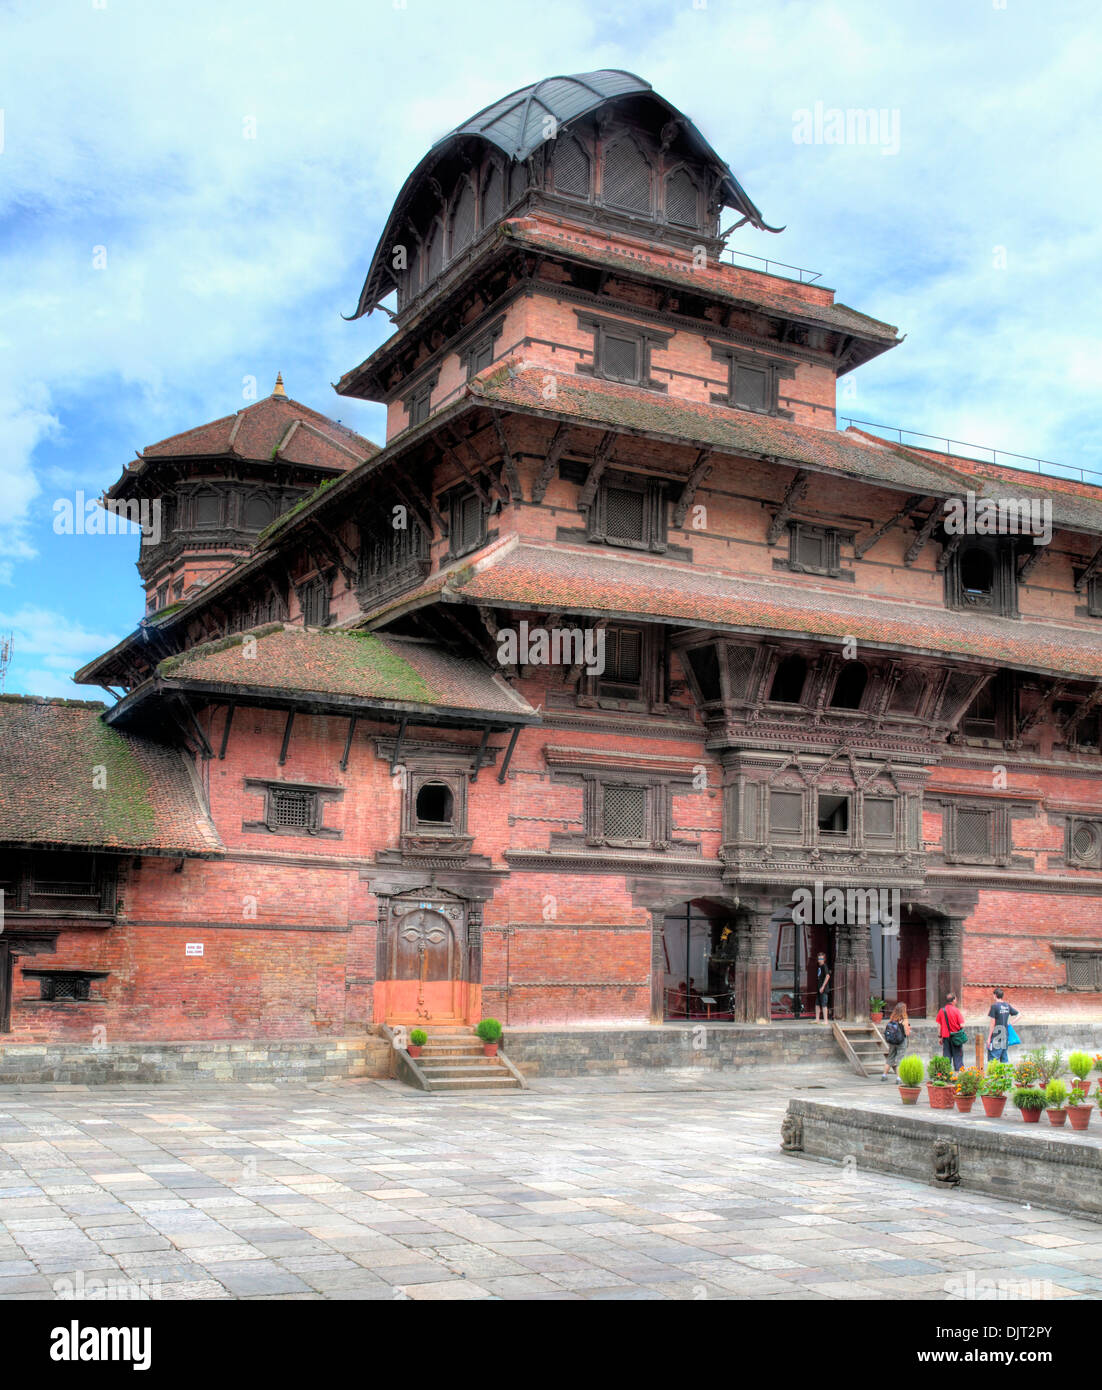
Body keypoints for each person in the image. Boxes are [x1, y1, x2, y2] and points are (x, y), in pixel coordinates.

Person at [986, 987, 1019, 1063]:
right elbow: (1020, 1015)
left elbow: (992, 1023)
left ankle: (994, 1074)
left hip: (997, 1036)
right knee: (1004, 1058)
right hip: (1005, 1035)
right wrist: (1011, 1023)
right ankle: (1004, 1075)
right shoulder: (1007, 1005)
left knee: (992, 1059)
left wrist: (989, 1038)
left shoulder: (994, 1006)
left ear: (995, 995)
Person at [937, 992, 966, 1070]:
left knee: (946, 1057)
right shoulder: (956, 1010)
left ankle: (946, 1076)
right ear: (953, 1000)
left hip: (946, 1037)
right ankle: (958, 1076)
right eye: (955, 999)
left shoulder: (941, 1010)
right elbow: (962, 1025)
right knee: (958, 1057)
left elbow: (939, 1025)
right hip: (956, 1038)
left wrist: (940, 1037)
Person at [881, 1002, 910, 1080]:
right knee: (900, 1059)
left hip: (892, 1041)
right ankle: (898, 1078)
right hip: (901, 1041)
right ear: (904, 1010)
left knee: (890, 1058)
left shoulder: (892, 1018)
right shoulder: (904, 1020)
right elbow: (907, 1033)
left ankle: (884, 1075)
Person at [814, 953, 831, 1022]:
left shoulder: (824, 966)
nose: (819, 960)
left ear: (824, 959)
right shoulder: (819, 967)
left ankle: (825, 1020)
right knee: (817, 1004)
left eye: (821, 958)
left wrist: (823, 987)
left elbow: (827, 976)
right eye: (818, 958)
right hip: (819, 988)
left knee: (824, 1004)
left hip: (823, 989)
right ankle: (817, 1019)